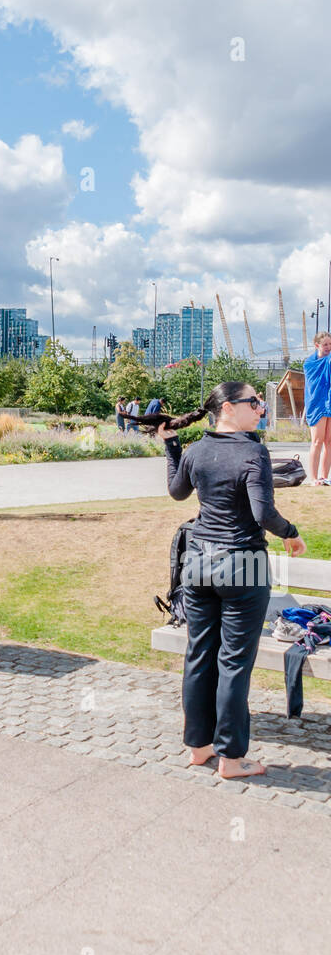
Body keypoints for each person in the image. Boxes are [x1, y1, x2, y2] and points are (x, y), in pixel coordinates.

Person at [156, 381, 306, 780]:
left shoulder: (198, 450)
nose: (261, 408)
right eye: (254, 402)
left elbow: (176, 492)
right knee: (235, 662)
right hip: (244, 564)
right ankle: (231, 758)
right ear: (227, 408)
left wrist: (170, 448)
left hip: (199, 563)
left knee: (199, 656)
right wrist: (292, 533)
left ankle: (198, 748)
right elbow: (263, 514)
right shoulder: (253, 451)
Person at [303, 331, 331, 485]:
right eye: (325, 344)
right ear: (317, 345)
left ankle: (325, 477)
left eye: (330, 344)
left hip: (330, 402)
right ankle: (313, 478)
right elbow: (313, 385)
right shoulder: (309, 364)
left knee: (329, 441)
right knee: (317, 441)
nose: (328, 347)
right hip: (316, 404)